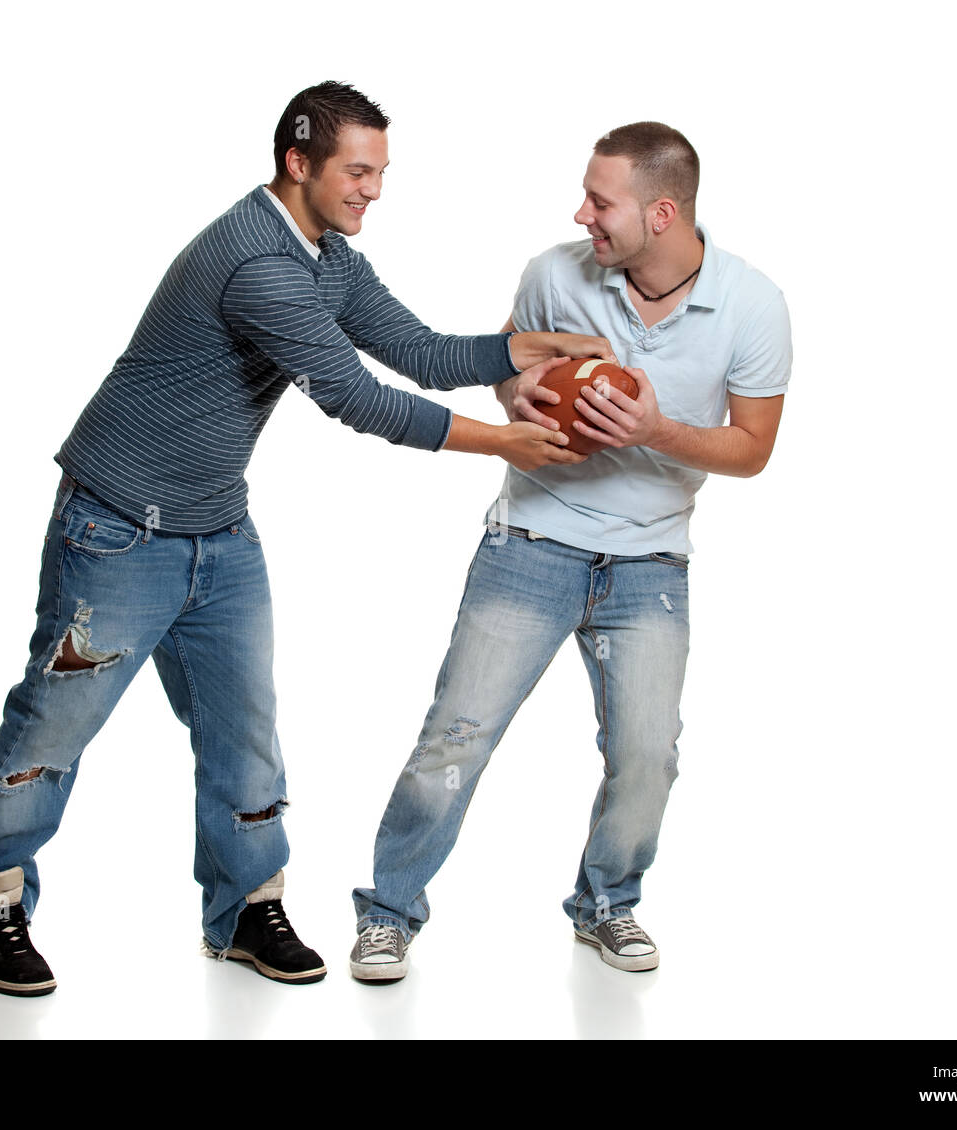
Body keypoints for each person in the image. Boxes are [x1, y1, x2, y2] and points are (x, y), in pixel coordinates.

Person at [0, 80, 612, 996]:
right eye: (358, 171)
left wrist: (520, 350)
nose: (374, 189)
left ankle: (247, 907)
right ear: (298, 164)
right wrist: (503, 439)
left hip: (217, 527)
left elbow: (414, 350)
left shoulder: (325, 254)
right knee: (56, 725)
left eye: (381, 171)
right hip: (116, 528)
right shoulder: (257, 263)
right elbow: (357, 398)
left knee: (244, 730)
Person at [350, 121, 792, 979]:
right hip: (532, 542)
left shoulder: (754, 304)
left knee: (646, 756)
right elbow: (509, 363)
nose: (581, 214)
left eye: (602, 201)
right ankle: (390, 913)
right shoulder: (555, 272)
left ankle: (606, 906)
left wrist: (657, 429)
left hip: (650, 565)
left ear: (662, 213)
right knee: (455, 736)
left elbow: (753, 449)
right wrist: (521, 399)